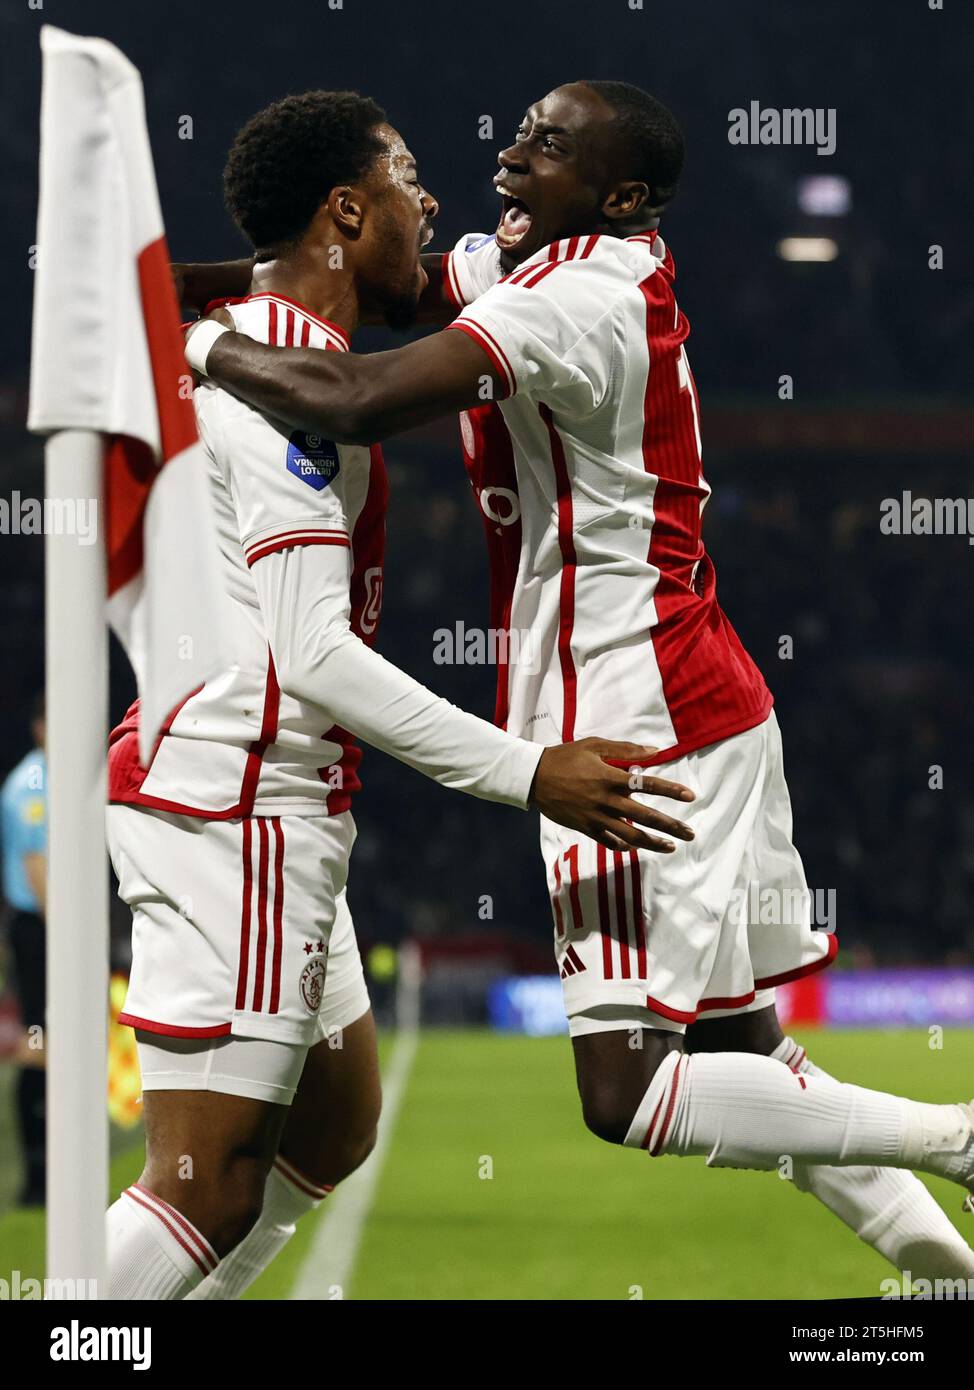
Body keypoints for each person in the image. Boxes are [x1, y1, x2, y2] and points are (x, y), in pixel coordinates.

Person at [186, 79, 974, 1282]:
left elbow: (355, 394)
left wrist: (197, 343)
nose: (507, 154)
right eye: (516, 127)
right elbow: (352, 276)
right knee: (752, 1066)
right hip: (708, 697)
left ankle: (952, 1135)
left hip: (632, 717)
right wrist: (185, 284)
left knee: (625, 1091)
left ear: (614, 196)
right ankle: (946, 1276)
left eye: (544, 145)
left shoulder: (575, 296)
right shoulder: (550, 260)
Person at [105, 89, 694, 1302]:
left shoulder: (287, 347)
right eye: (408, 178)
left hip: (258, 794)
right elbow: (314, 651)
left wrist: (186, 296)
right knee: (202, 1184)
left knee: (330, 1131)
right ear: (345, 208)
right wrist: (529, 769)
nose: (437, 201)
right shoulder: (290, 400)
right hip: (240, 804)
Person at [0, 693, 47, 1206]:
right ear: (39, 728)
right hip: (38, 930)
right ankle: (37, 1175)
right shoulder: (29, 786)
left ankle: (49, 1168)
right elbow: (37, 868)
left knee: (50, 1042)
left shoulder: (55, 778)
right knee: (39, 1042)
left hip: (48, 927)